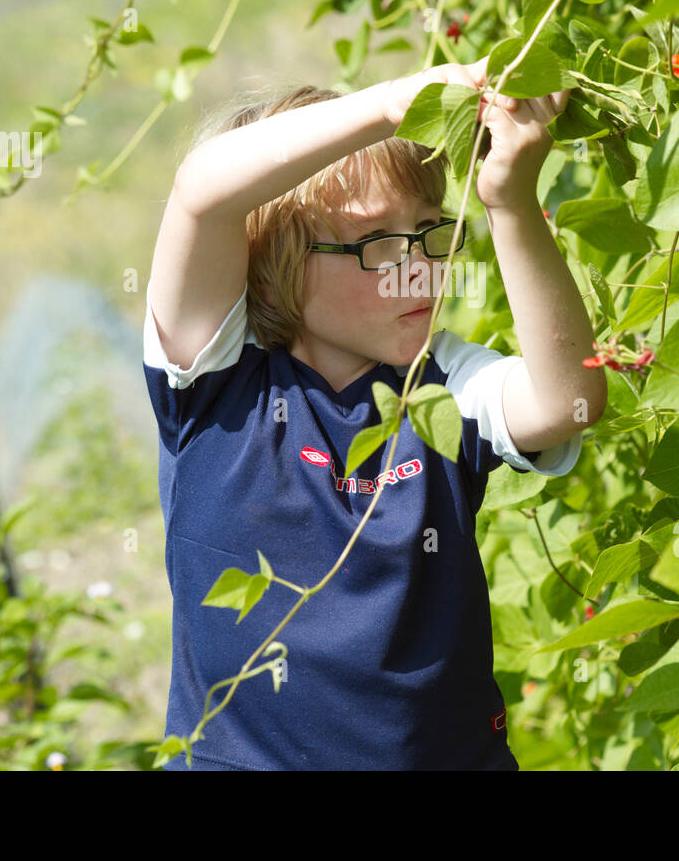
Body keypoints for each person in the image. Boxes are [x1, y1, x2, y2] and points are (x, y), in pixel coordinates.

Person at [142, 55, 606, 770]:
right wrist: (392, 104)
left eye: (427, 230)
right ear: (276, 263)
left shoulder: (440, 383)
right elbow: (203, 191)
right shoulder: (217, 389)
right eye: (375, 242)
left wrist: (510, 200)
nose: (416, 264)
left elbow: (568, 400)